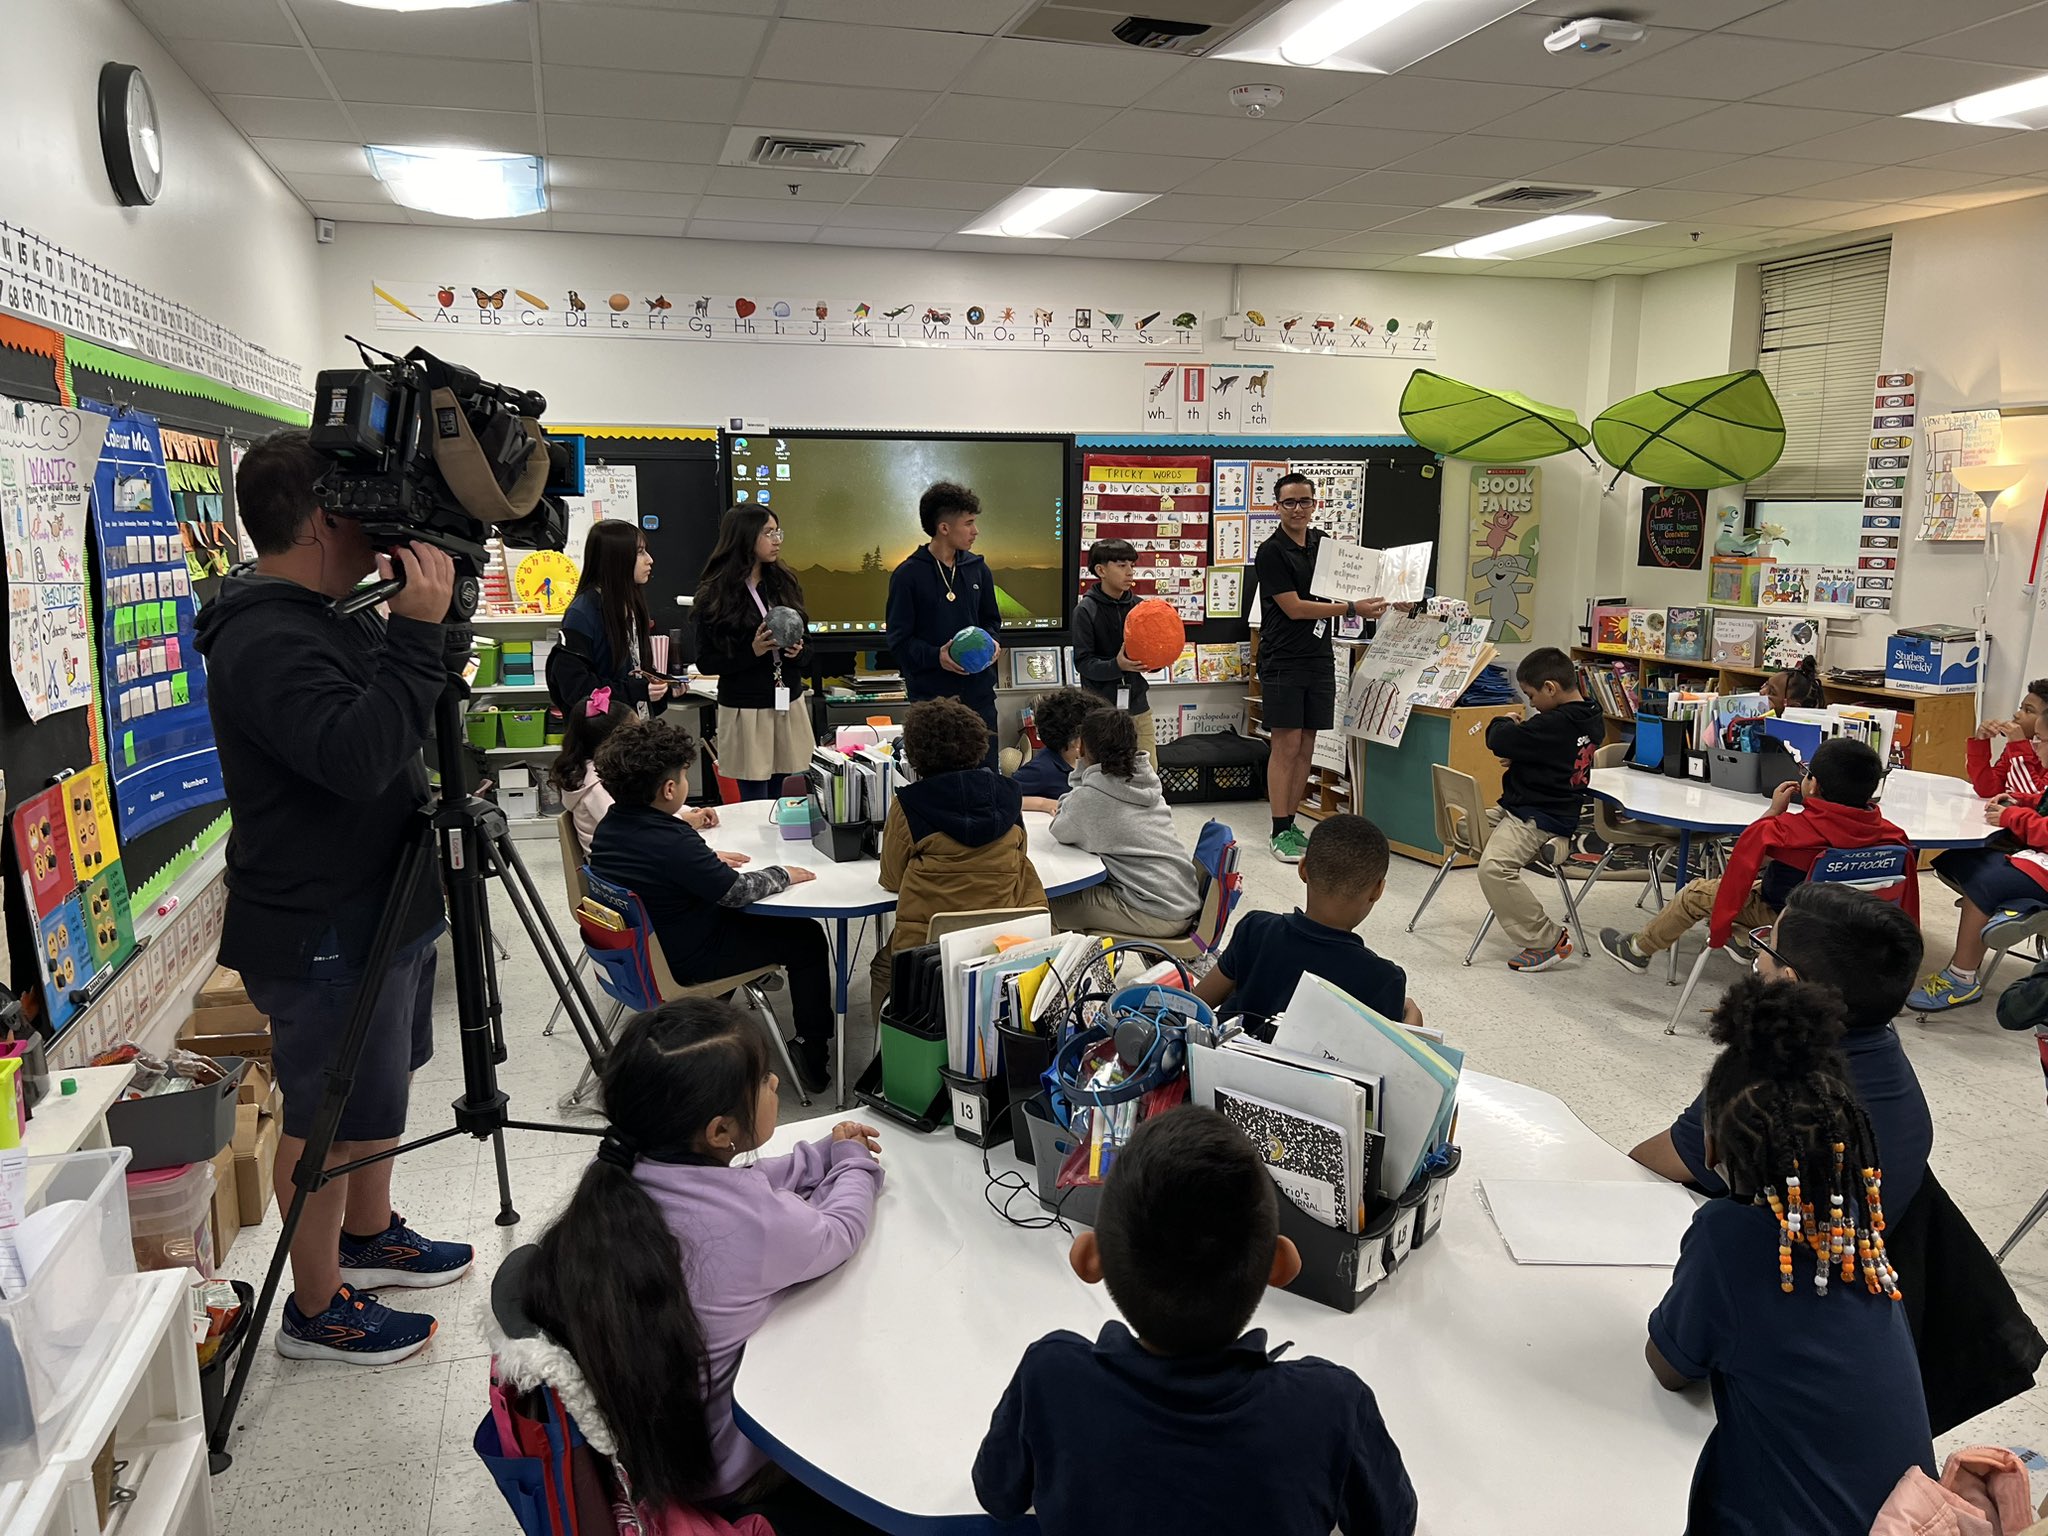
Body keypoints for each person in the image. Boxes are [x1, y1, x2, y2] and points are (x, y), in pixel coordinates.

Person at [195, 429, 472, 1364]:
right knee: (323, 1117)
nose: (377, 519)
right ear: (322, 517)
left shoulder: (326, 609)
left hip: (378, 901)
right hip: (320, 920)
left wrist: (429, 620)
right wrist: (417, 634)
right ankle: (316, 1309)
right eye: (360, 503)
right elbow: (357, 758)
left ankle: (369, 1233)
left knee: (374, 1102)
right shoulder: (265, 636)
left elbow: (405, 710)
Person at [973, 1105, 1418, 1536]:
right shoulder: (1331, 1407)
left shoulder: (1052, 1378)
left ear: (1090, 1258)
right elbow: (1392, 1524)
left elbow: (997, 1494)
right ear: (1281, 1265)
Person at [522, 998, 883, 1526]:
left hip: (657, 1445)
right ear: (719, 1132)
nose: (776, 1085)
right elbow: (839, 1232)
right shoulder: (752, 1227)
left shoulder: (625, 1179)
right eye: (763, 1081)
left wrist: (818, 1155)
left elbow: (743, 1185)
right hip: (728, 1466)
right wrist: (853, 1163)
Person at [1645, 975, 1932, 1536]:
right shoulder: (1852, 1215)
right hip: (1902, 1514)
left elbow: (1671, 1367)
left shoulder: (1730, 1236)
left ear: (1709, 1147)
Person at [1629, 881, 1932, 1214]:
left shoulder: (1775, 1069)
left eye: (1766, 944)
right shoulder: (1885, 1051)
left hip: (1772, 1253)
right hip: (1866, 1251)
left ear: (1789, 981)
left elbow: (1652, 1165)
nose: (1758, 956)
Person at [587, 717, 837, 1092]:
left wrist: (702, 863)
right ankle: (812, 1050)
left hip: (642, 949)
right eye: (685, 777)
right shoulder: (673, 842)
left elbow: (658, 866)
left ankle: (706, 1028)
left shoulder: (613, 824)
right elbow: (735, 892)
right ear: (670, 789)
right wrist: (783, 873)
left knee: (765, 928)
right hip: (685, 959)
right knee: (808, 938)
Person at [1599, 736, 1914, 973]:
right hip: (1849, 924)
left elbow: (1743, 864)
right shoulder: (1893, 838)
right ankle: (1743, 938)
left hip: (1788, 917)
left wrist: (1773, 812)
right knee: (1752, 892)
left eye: (1807, 775)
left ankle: (1638, 949)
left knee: (1696, 893)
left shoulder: (1785, 830)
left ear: (1813, 786)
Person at [872, 697, 1046, 1021]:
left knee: (882, 967)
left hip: (927, 953)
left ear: (915, 753)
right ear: (978, 744)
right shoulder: (1009, 796)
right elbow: (1020, 856)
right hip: (1004, 944)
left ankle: (893, 1052)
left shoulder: (909, 805)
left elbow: (892, 879)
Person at [1254, 474, 1387, 864]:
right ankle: (1279, 830)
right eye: (1290, 502)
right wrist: (1351, 608)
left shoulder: (1324, 546)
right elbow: (1294, 608)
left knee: (1308, 743)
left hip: (1318, 655)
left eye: (1304, 501)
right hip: (1282, 657)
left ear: (1315, 505)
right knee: (1287, 744)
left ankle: (1292, 822)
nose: (1298, 509)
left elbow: (1352, 584)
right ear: (1277, 507)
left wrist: (1382, 597)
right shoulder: (1271, 551)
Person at [1195, 814, 1420, 1030]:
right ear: (1377, 890)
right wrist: (1413, 1022)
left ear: (1303, 869)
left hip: (1229, 1064)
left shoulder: (1256, 929)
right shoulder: (1384, 979)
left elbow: (1197, 1004)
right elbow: (1391, 1062)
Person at [1478, 647, 1602, 972]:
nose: (1531, 704)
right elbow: (1552, 754)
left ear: (1551, 688)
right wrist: (1522, 754)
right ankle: (1514, 902)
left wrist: (1505, 721)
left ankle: (1546, 940)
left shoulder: (1554, 724)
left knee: (1493, 868)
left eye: (1532, 695)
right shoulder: (1590, 715)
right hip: (1537, 806)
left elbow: (1499, 739)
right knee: (1467, 829)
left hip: (1539, 816)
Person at [1029, 708, 1199, 940]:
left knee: (1040, 908)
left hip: (1155, 911)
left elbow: (1060, 827)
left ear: (1081, 747)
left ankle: (1065, 971)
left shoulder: (1093, 798)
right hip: (1178, 897)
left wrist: (1082, 770)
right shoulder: (1143, 778)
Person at [693, 505, 813, 801]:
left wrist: (798, 652)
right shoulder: (716, 593)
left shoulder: (784, 583)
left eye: (778, 531)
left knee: (786, 797)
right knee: (755, 802)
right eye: (768, 533)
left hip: (788, 702)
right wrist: (753, 651)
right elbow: (706, 662)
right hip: (746, 710)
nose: (777, 540)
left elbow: (809, 648)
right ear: (744, 537)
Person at [885, 481, 1001, 767]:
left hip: (979, 698)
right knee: (940, 785)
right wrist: (938, 656)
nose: (976, 531)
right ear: (944, 528)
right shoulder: (908, 575)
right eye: (969, 523)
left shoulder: (978, 569)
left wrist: (993, 642)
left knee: (984, 779)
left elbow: (991, 621)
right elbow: (899, 642)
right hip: (932, 706)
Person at [1910, 781, 2048, 1012]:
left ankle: (1962, 979)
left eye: (2041, 741)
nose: (2034, 744)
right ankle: (2008, 909)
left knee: (1986, 883)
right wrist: (2022, 801)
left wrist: (2014, 817)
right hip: (2038, 857)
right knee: (1958, 860)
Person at [548, 687, 718, 855]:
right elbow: (631, 830)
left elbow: (649, 807)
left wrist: (690, 811)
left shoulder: (606, 772)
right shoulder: (596, 785)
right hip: (624, 868)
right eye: (636, 733)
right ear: (617, 743)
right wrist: (685, 820)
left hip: (635, 856)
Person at [554, 519, 668, 718]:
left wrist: (662, 683)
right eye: (640, 552)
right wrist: (635, 690)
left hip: (633, 725)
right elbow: (576, 688)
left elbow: (633, 669)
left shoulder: (630, 604)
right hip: (604, 735)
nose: (650, 559)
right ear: (616, 559)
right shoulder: (582, 613)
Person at [1071, 537, 1154, 753]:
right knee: (1105, 775)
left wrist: (1156, 660)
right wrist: (1117, 666)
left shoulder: (1140, 607)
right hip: (1100, 711)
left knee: (1148, 772)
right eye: (1121, 565)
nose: (1130, 572)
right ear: (1101, 570)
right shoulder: (1086, 610)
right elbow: (1083, 662)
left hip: (1137, 706)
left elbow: (1151, 653)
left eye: (1132, 565)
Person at [1966, 679, 2048, 801]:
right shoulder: (2022, 746)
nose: (2017, 714)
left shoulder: (2020, 748)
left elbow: (2038, 800)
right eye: (2021, 708)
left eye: (2028, 710)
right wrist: (1980, 743)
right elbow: (1988, 789)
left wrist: (2019, 747)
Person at [1012, 687, 1094, 800]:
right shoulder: (1041, 770)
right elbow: (1003, 797)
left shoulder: (1088, 761)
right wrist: (1043, 804)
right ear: (1075, 740)